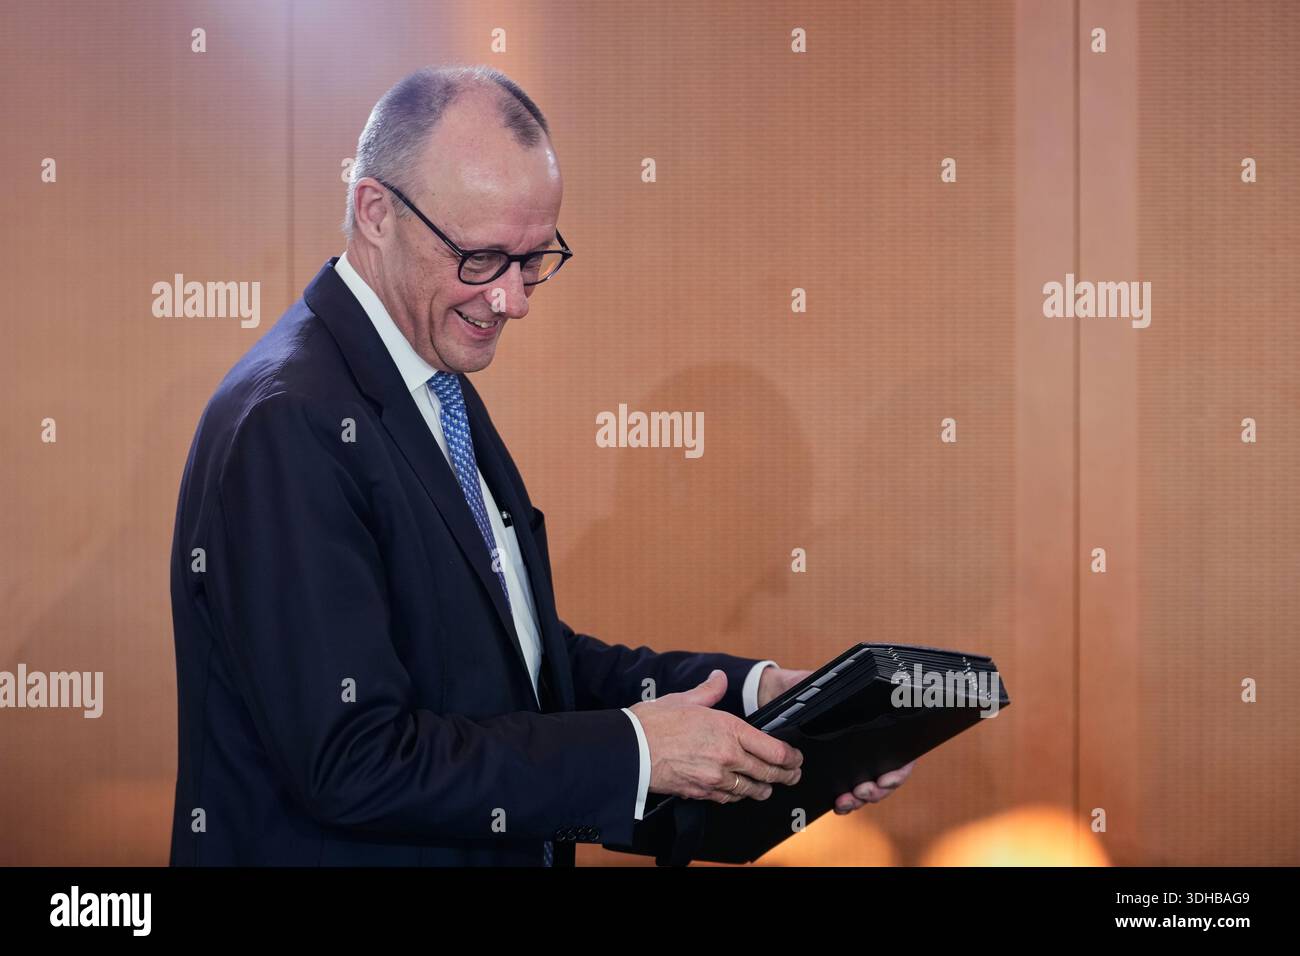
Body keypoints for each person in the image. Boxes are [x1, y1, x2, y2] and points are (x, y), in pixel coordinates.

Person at [168, 64, 913, 867]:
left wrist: (761, 703)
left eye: (534, 259)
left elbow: (515, 667)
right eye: (482, 257)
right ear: (375, 211)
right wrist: (632, 753)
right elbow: (352, 762)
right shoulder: (290, 421)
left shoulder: (425, 372)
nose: (513, 300)